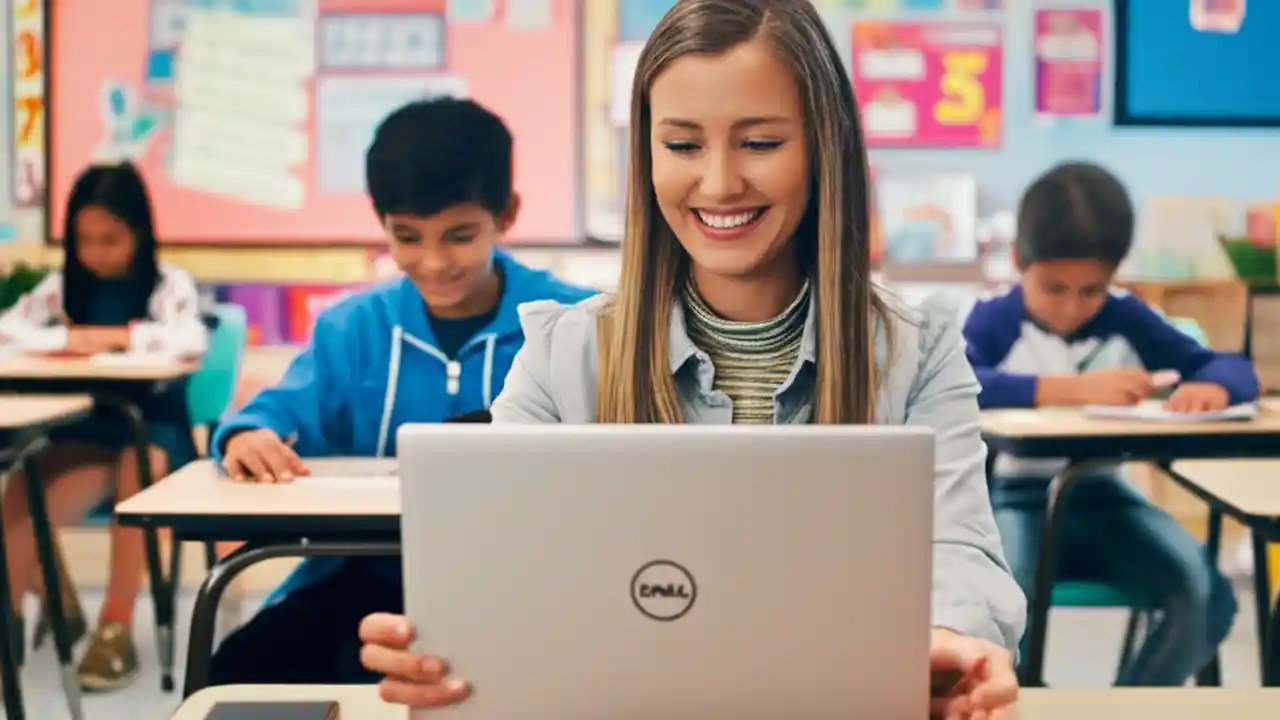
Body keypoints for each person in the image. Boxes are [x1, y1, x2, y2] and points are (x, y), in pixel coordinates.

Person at [357, 2, 1024, 717]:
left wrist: (951, 640)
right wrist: (442, 644)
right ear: (646, 156)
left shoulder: (914, 353)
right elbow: (495, 573)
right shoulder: (562, 354)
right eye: (681, 146)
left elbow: (958, 551)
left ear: (824, 147)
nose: (718, 184)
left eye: (760, 142)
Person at [206, 98, 595, 684]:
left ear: (506, 215)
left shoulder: (571, 321)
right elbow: (282, 409)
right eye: (407, 237)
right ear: (381, 223)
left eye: (460, 235)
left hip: (527, 577)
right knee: (237, 672)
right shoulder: (351, 328)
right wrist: (248, 435)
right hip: (365, 574)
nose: (433, 262)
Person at [963, 161, 1255, 685]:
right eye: (1053, 288)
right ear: (1018, 261)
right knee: (1002, 605)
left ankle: (1127, 705)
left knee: (1204, 595)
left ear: (1114, 275)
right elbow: (963, 383)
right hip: (1014, 500)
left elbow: (1230, 366)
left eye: (1091, 290)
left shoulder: (1127, 318)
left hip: (1104, 501)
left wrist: (1213, 387)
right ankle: (1025, 700)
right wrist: (1068, 391)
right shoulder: (993, 320)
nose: (1072, 307)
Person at [0, 161, 207, 691]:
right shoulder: (59, 287)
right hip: (84, 432)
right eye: (84, 239)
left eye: (111, 239)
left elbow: (188, 341)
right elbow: (9, 332)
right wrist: (62, 341)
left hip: (154, 434)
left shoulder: (169, 285)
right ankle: (21, 625)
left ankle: (116, 625)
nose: (96, 252)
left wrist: (118, 338)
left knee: (141, 467)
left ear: (139, 233)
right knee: (19, 492)